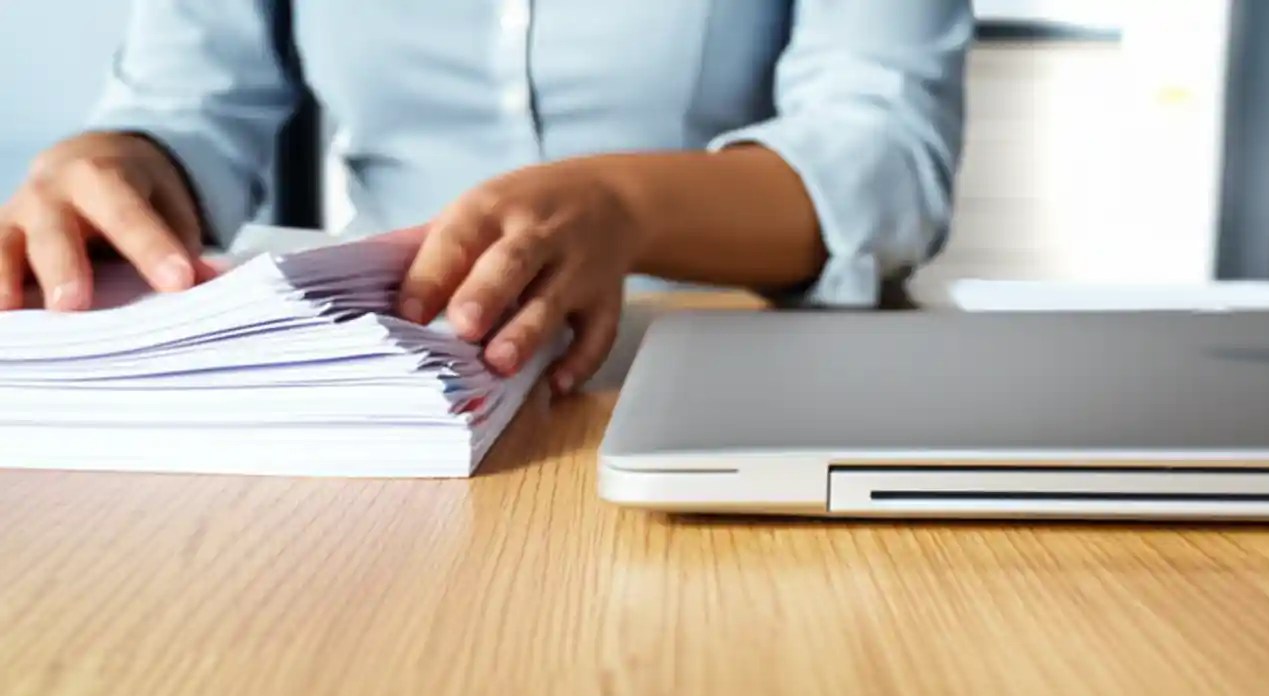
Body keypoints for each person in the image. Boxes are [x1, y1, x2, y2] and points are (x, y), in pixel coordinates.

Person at [0, 1, 971, 393]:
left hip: (731, 364)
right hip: (379, 381)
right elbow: (185, 103)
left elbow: (881, 158)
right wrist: (114, 159)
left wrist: (624, 206)